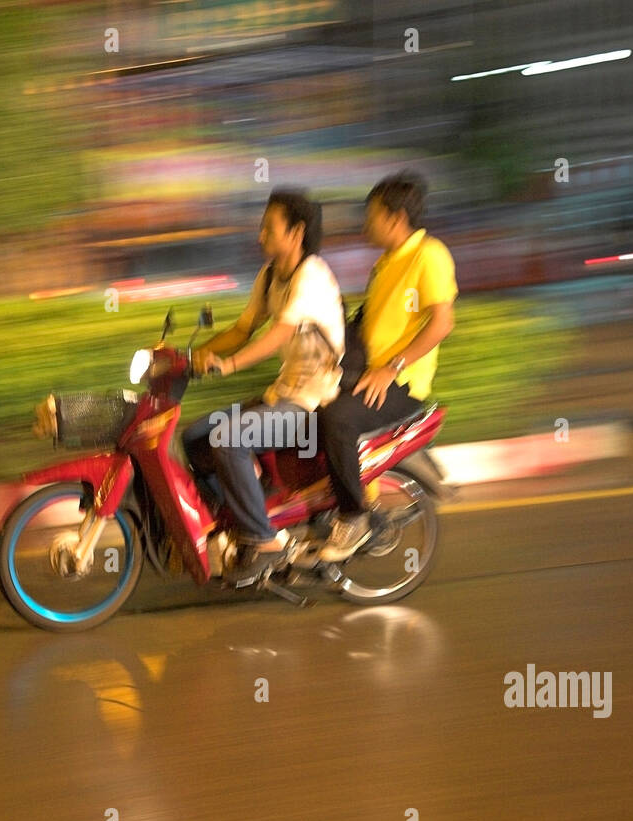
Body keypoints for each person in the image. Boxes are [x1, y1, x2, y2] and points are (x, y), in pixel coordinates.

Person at [181, 188, 345, 585]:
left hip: (311, 405)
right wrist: (191, 357)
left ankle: (266, 540)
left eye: (268, 228)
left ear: (296, 232)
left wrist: (230, 365)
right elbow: (242, 328)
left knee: (229, 439)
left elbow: (278, 334)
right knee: (194, 437)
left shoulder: (312, 275)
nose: (260, 236)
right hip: (282, 394)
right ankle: (232, 521)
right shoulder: (271, 274)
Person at [317, 170, 457, 562]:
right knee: (302, 409)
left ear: (395, 217)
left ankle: (355, 516)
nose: (365, 223)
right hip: (371, 377)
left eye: (371, 215)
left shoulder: (428, 254)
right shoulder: (385, 264)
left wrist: (392, 368)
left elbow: (442, 322)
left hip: (401, 384)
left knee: (337, 420)